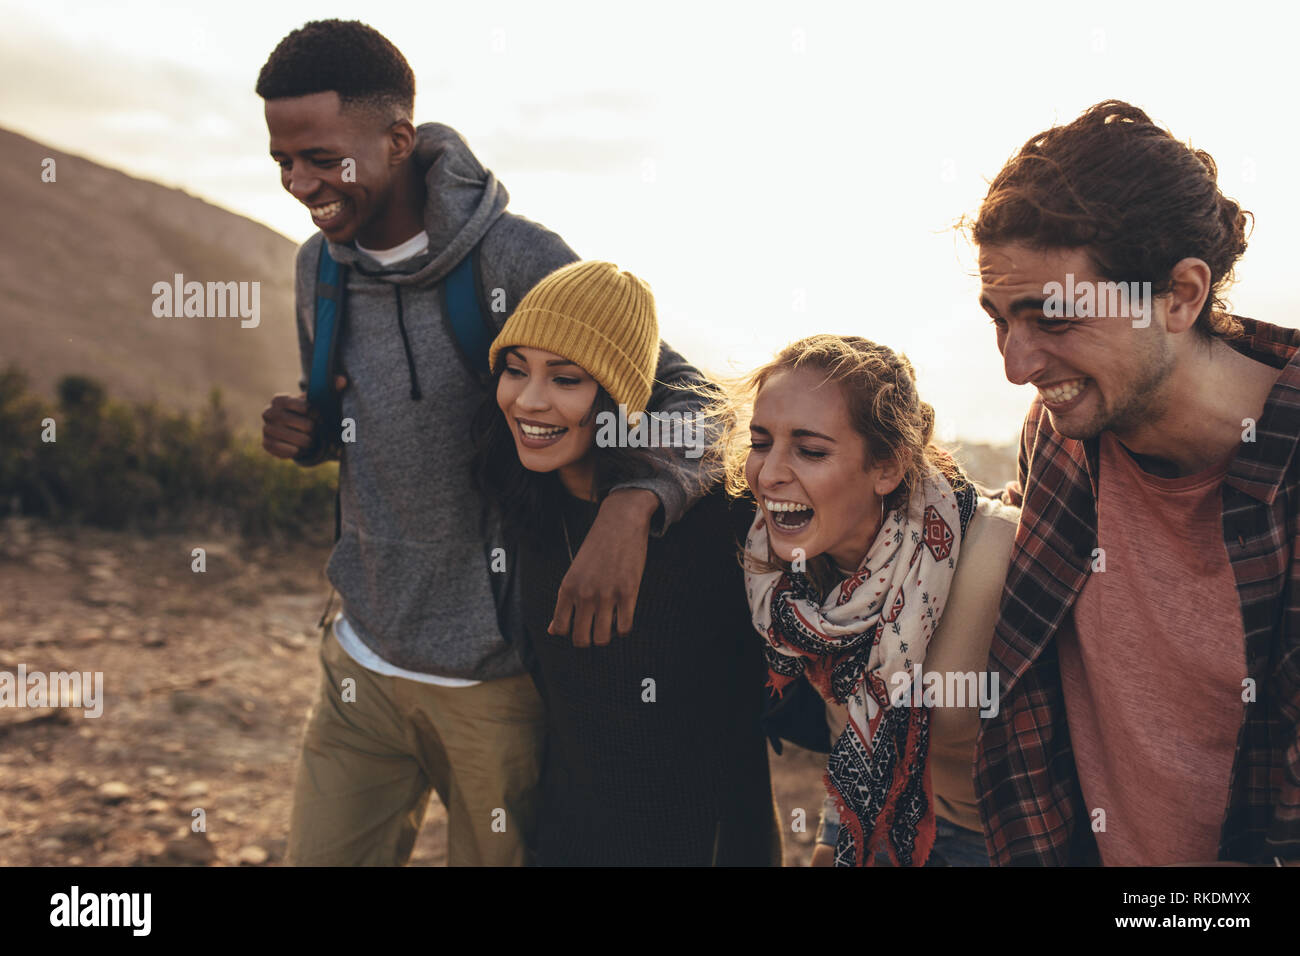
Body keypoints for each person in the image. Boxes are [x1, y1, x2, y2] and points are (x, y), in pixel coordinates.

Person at [255, 20, 714, 866]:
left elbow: (690, 395)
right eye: (283, 160)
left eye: (322, 158)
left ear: (397, 140)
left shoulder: (515, 258)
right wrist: (314, 433)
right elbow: (378, 430)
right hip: (360, 658)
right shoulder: (316, 267)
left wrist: (635, 504)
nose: (299, 183)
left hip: (498, 683)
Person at [971, 99, 1300, 865]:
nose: (1016, 366)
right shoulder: (1058, 443)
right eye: (999, 319)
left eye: (1052, 318)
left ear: (1182, 295)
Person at [475, 260, 780, 866]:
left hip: (705, 842)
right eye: (515, 370)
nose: (529, 400)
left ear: (618, 396)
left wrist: (635, 506)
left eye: (566, 380)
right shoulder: (523, 502)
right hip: (570, 838)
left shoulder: (715, 519)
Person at [712, 334, 1018, 866]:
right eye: (761, 443)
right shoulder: (785, 573)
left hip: (1012, 845)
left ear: (888, 468)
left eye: (810, 451)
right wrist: (831, 839)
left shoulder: (998, 559)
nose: (769, 472)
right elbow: (854, 727)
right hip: (885, 830)